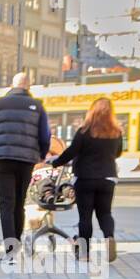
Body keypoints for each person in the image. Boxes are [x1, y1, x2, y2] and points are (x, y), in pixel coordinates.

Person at [0, 72, 51, 265]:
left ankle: (10, 251)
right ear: (28, 87)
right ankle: (15, 245)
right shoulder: (37, 106)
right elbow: (45, 135)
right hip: (26, 160)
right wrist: (41, 154)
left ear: (11, 85)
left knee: (6, 204)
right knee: (19, 203)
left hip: (2, 159)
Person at [49, 97, 123, 264]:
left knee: (85, 217)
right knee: (105, 213)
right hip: (108, 178)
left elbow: (72, 151)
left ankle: (84, 254)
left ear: (92, 111)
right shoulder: (116, 132)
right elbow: (118, 153)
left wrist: (55, 163)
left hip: (85, 178)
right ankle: (109, 237)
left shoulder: (84, 131)